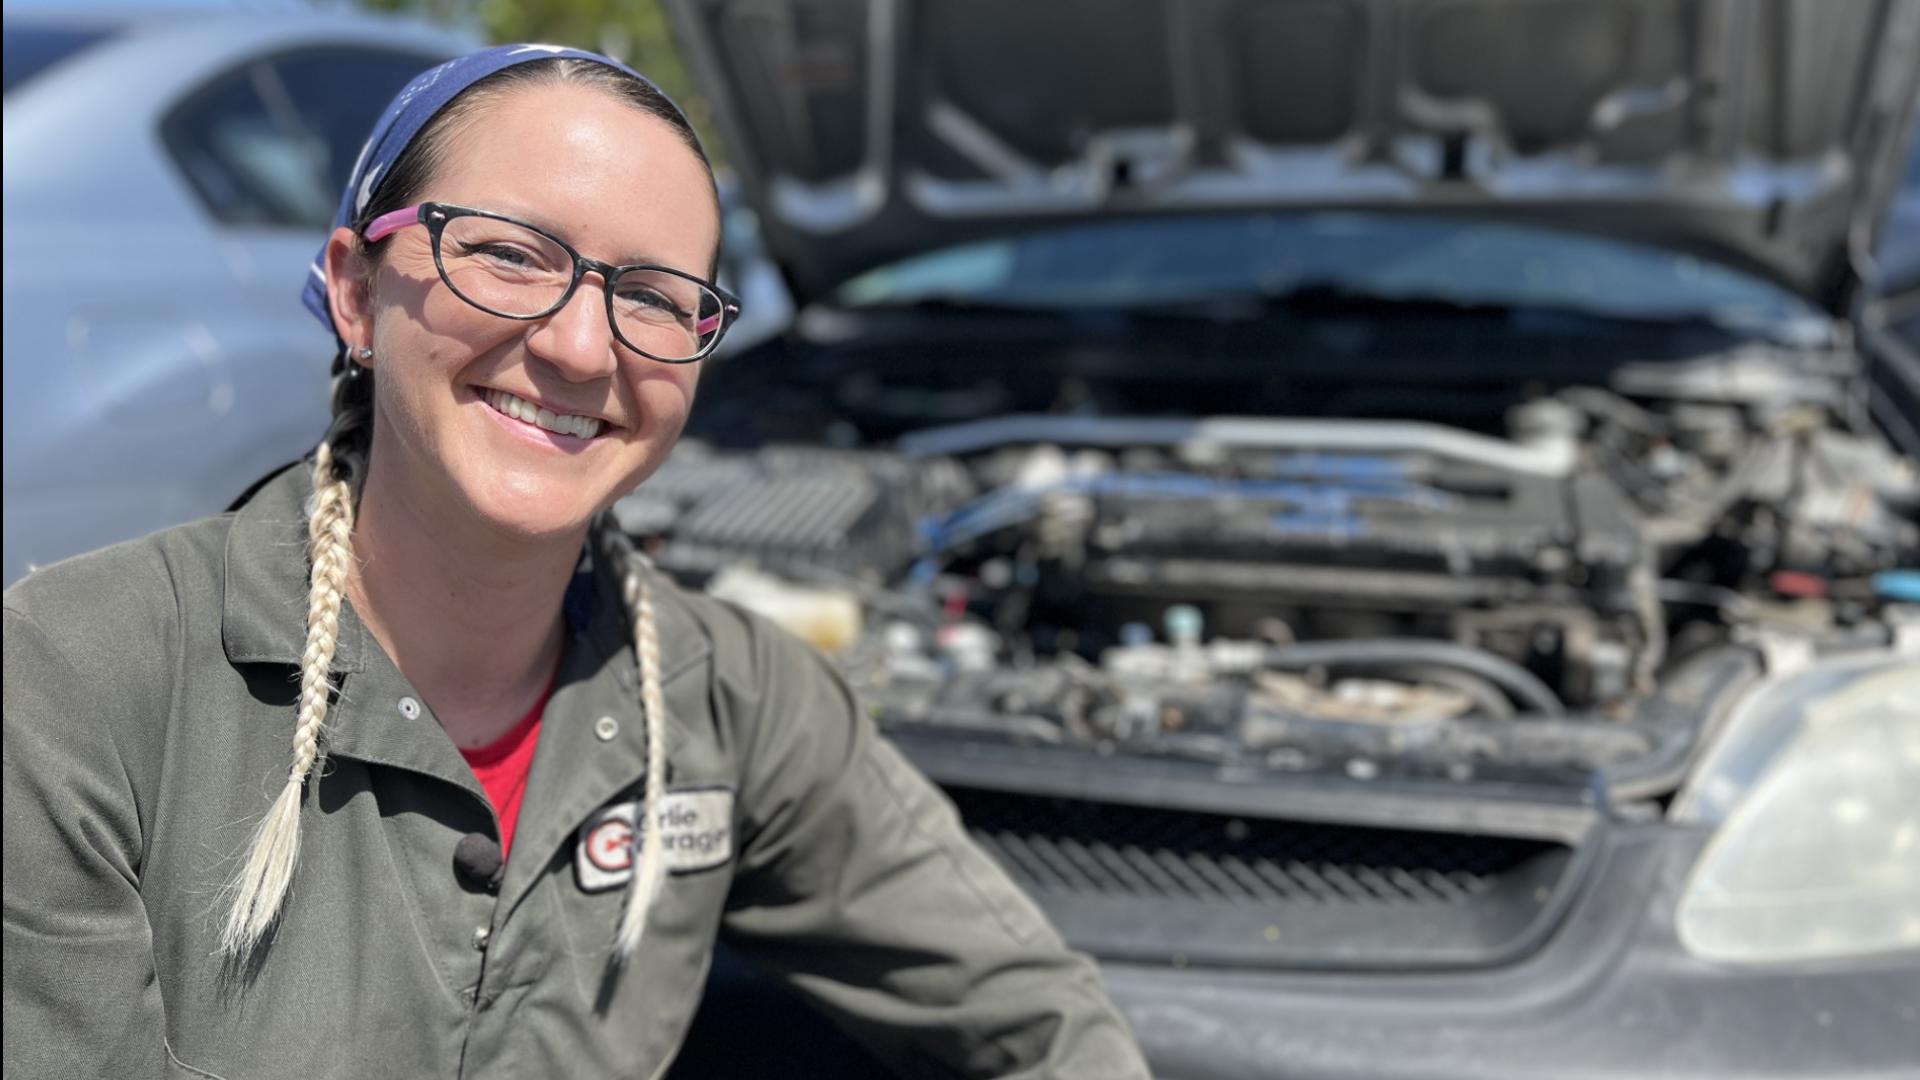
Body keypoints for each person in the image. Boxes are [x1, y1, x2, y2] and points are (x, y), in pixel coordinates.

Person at [3, 45, 1150, 1080]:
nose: (581, 347)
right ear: (355, 293)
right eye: (508, 255)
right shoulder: (74, 684)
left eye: (653, 296)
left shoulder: (738, 701)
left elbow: (1044, 1023)